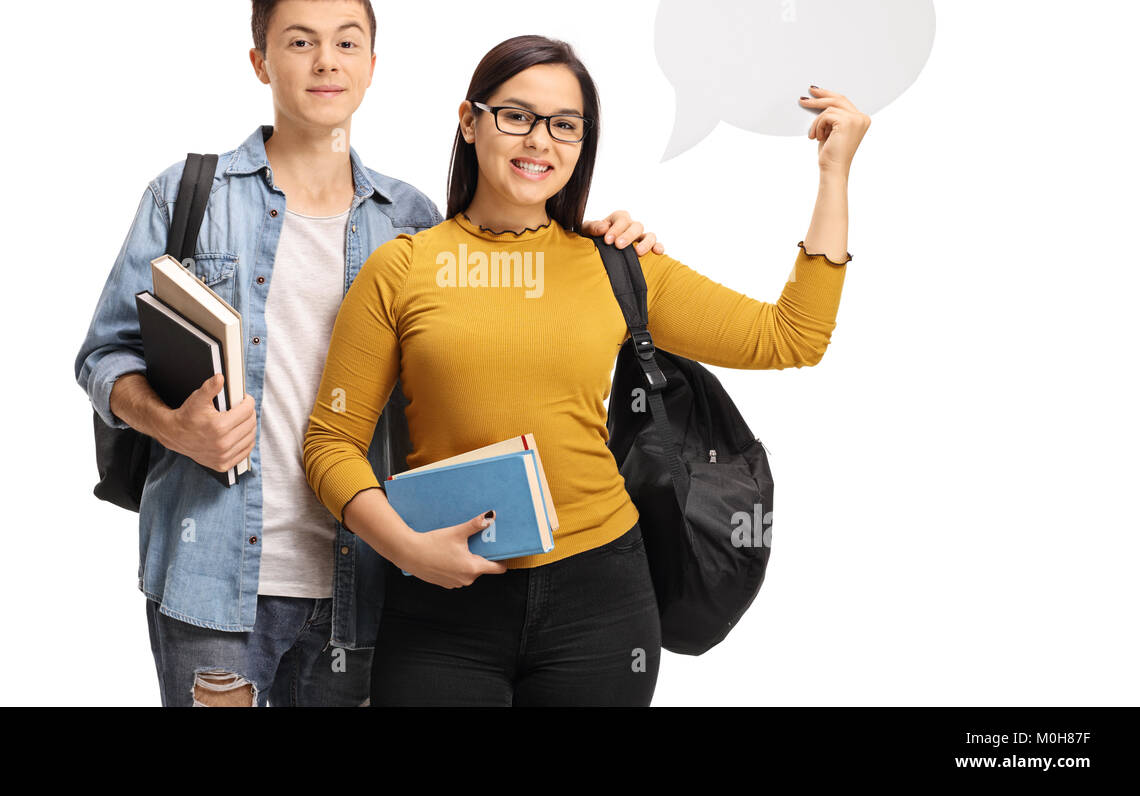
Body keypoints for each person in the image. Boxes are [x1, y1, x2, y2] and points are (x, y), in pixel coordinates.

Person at [73, 0, 666, 707]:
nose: (327, 61)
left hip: (370, 583)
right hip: (213, 584)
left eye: (347, 42)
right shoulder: (190, 196)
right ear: (260, 61)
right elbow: (104, 355)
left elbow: (510, 288)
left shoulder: (410, 221)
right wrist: (170, 424)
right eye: (299, 42)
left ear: (373, 66)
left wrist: (597, 245)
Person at [302, 35, 868, 706]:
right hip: (440, 605)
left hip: (601, 601)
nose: (540, 140)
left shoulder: (615, 262)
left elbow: (791, 337)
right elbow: (330, 444)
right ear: (469, 120)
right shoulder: (402, 267)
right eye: (516, 115)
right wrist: (405, 549)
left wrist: (834, 176)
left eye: (564, 125)